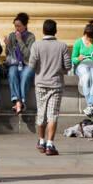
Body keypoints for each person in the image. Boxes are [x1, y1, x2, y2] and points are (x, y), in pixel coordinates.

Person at [28, 19, 71, 155]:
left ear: (43, 31)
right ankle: (50, 144)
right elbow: (68, 66)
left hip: (40, 83)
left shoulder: (36, 45)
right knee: (52, 115)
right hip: (56, 84)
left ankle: (41, 141)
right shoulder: (62, 46)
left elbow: (32, 65)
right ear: (55, 31)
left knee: (41, 113)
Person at [71, 22, 93, 117]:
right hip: (83, 64)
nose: (90, 40)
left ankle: (90, 106)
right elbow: (73, 59)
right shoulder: (78, 42)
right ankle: (91, 105)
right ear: (85, 34)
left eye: (92, 38)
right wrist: (78, 58)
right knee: (86, 77)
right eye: (88, 37)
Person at [5, 12, 36, 113]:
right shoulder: (12, 36)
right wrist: (7, 46)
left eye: (19, 26)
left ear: (25, 25)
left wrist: (20, 41)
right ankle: (17, 101)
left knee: (25, 75)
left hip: (27, 63)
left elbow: (28, 55)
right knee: (12, 73)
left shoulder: (31, 37)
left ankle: (21, 100)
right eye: (15, 26)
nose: (17, 28)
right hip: (15, 63)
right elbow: (8, 54)